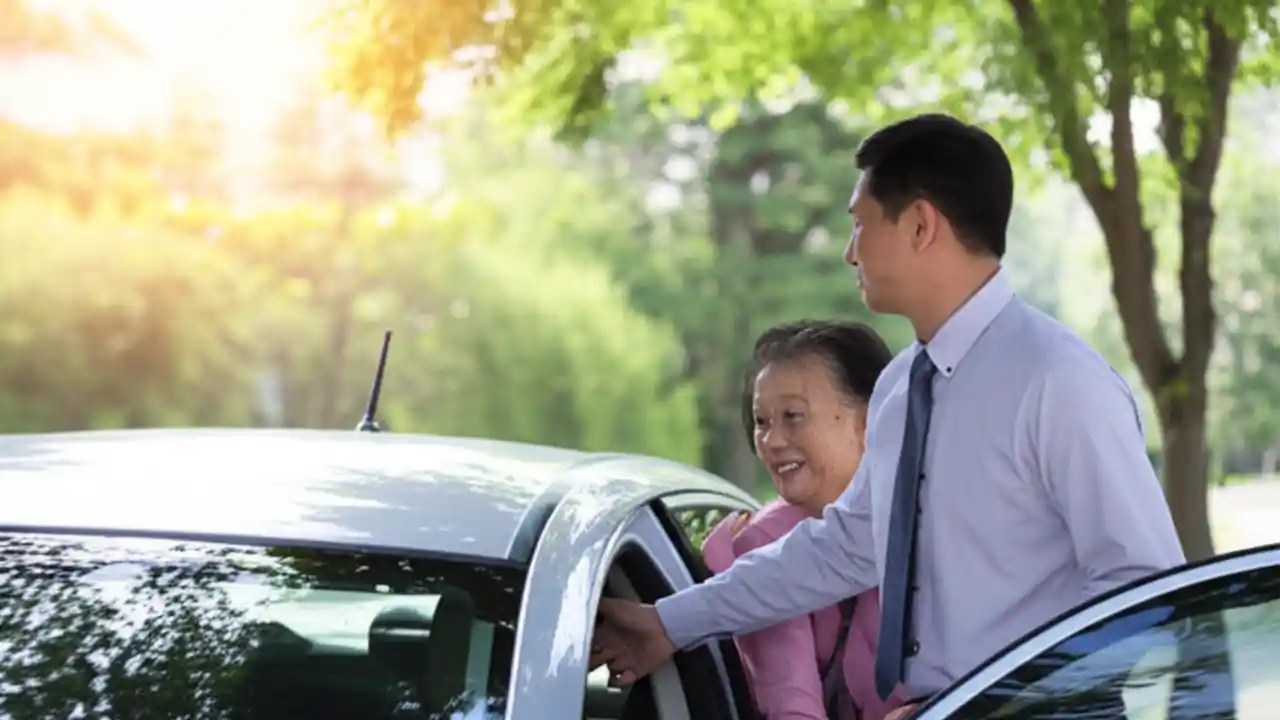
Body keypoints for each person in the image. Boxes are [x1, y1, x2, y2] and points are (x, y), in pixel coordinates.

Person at [589, 113, 1187, 718]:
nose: (851, 252)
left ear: (921, 225)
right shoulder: (902, 386)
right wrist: (668, 622)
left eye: (860, 224)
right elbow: (843, 548)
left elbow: (1143, 593)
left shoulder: (1060, 381)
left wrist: (984, 708)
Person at [701, 319, 903, 719]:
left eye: (793, 415)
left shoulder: (938, 523)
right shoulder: (761, 545)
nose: (772, 441)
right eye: (761, 421)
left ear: (870, 423)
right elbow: (791, 705)